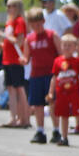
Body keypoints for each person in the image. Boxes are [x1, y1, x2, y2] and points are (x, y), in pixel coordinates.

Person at [48, 33, 79, 146]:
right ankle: (64, 137)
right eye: (64, 45)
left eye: (69, 45)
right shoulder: (58, 61)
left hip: (74, 92)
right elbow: (54, 77)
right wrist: (51, 92)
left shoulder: (78, 61)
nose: (66, 48)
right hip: (61, 93)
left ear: (75, 47)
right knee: (63, 114)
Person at [23, 7, 60, 143]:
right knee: (38, 104)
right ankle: (40, 131)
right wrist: (22, 60)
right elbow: (26, 59)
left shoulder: (52, 35)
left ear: (43, 21)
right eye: (33, 25)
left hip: (51, 74)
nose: (36, 27)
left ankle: (56, 131)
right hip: (36, 74)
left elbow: (61, 55)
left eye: (38, 24)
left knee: (52, 102)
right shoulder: (29, 39)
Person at [0, 0, 29, 129]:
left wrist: (4, 36)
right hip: (7, 58)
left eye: (12, 6)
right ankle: (13, 117)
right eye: (8, 6)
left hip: (16, 60)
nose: (9, 9)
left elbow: (19, 41)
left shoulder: (19, 21)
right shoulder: (9, 22)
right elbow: (10, 41)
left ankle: (24, 118)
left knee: (19, 88)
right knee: (11, 88)